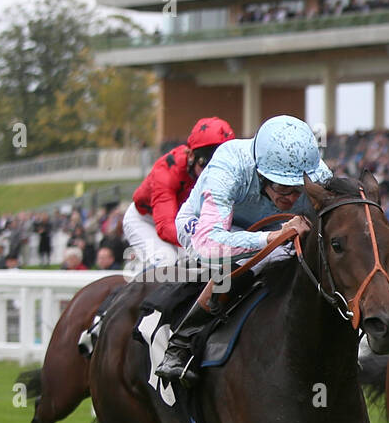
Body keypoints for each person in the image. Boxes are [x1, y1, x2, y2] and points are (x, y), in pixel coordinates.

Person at [155, 114, 332, 383]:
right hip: (207, 227)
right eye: (283, 187)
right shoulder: (230, 165)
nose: (293, 198)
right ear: (261, 174)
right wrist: (271, 238)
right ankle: (180, 344)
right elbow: (209, 244)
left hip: (270, 227)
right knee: (237, 265)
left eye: (299, 189)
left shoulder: (318, 174)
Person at [124, 117, 236, 272]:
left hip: (186, 223)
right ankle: (136, 290)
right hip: (147, 221)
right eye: (206, 163)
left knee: (205, 265)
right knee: (167, 261)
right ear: (190, 155)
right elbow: (165, 227)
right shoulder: (167, 171)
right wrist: (204, 240)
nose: (212, 173)